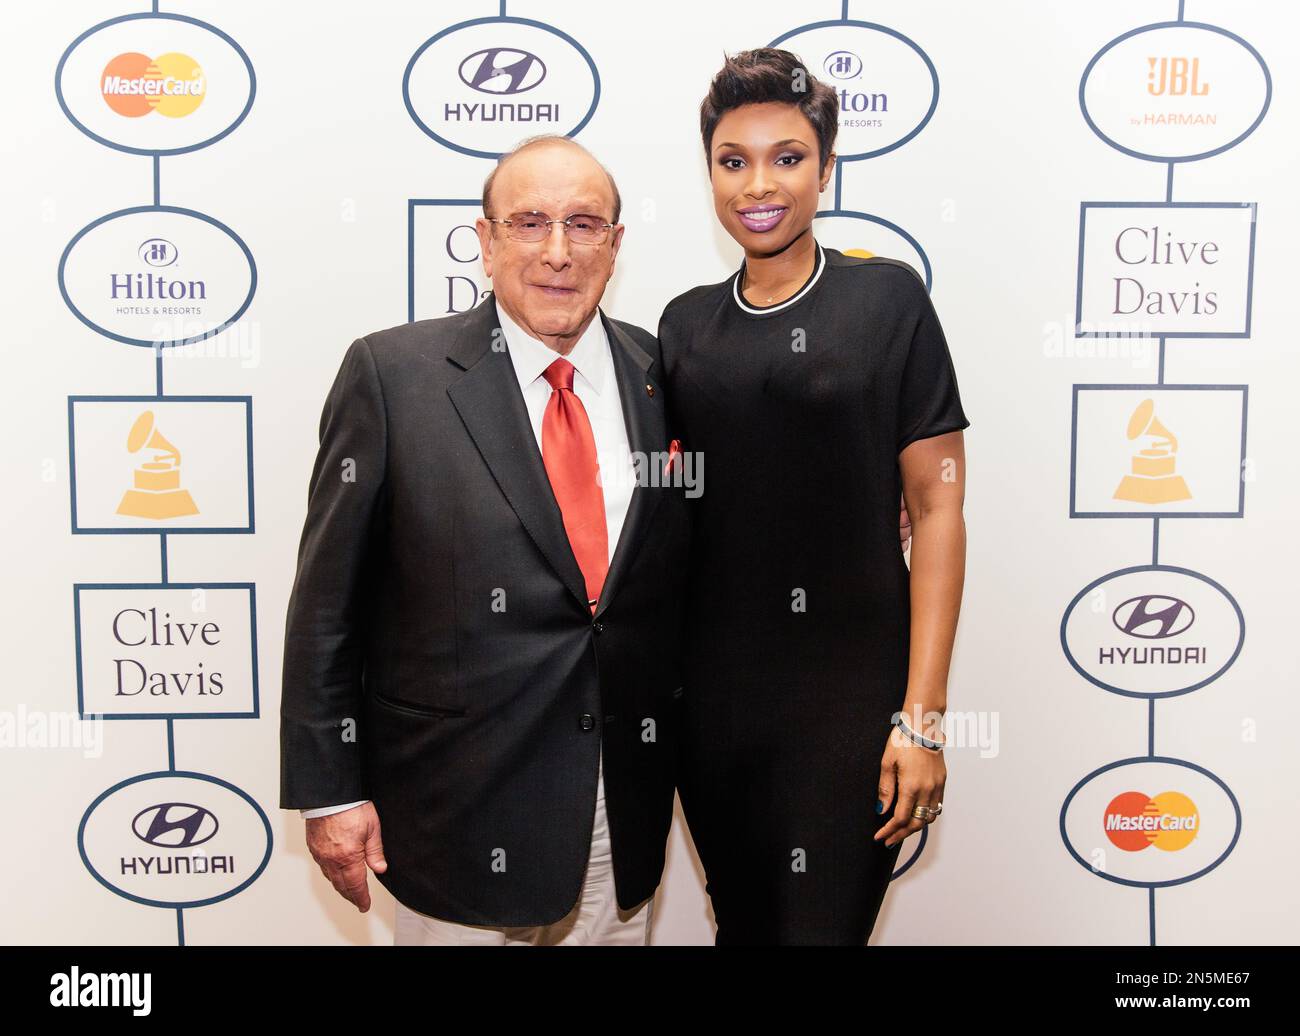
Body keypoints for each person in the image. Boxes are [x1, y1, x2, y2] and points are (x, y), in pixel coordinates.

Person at [280, 135, 690, 945]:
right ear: (486, 240)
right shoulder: (393, 377)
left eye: (584, 224)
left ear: (615, 243)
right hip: (449, 817)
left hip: (617, 810)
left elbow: (708, 543)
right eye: (530, 222)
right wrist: (330, 792)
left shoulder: (666, 374)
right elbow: (327, 605)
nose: (558, 252)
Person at [659, 48, 971, 945]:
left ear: (827, 171)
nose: (759, 183)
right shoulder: (684, 325)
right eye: (733, 159)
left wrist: (922, 719)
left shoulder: (886, 301)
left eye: (788, 157)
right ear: (710, 173)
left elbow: (940, 509)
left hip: (849, 702)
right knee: (747, 930)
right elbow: (673, 503)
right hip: (713, 704)